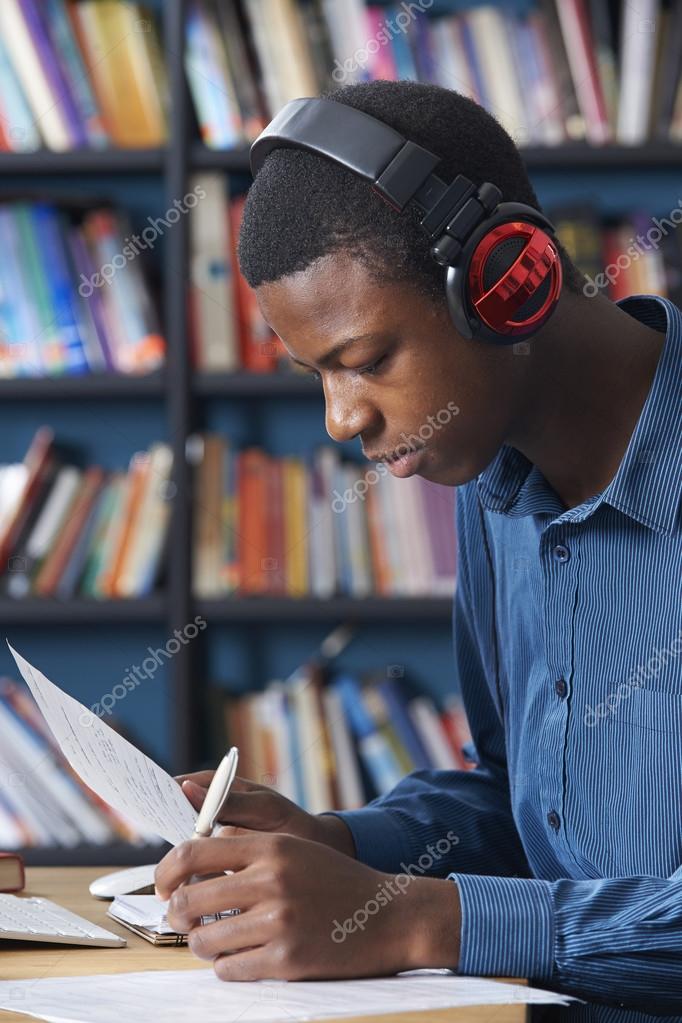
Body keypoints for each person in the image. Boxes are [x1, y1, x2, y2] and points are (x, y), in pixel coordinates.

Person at [154, 81, 682, 1020]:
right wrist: (342, 846)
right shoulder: (492, 475)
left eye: (365, 360)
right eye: (317, 374)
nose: (340, 418)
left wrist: (415, 919)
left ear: (508, 283)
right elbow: (520, 800)